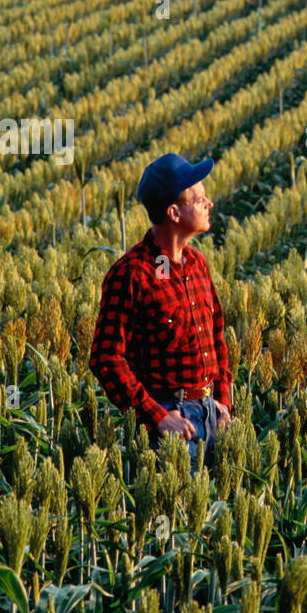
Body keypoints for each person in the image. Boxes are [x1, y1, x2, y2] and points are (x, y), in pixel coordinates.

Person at [89, 152, 232, 472]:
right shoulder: (131, 273)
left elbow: (218, 336)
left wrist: (223, 398)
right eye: (200, 199)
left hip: (212, 416)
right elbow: (105, 357)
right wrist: (157, 416)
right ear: (174, 212)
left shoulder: (198, 266)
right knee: (177, 516)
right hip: (171, 420)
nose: (209, 204)